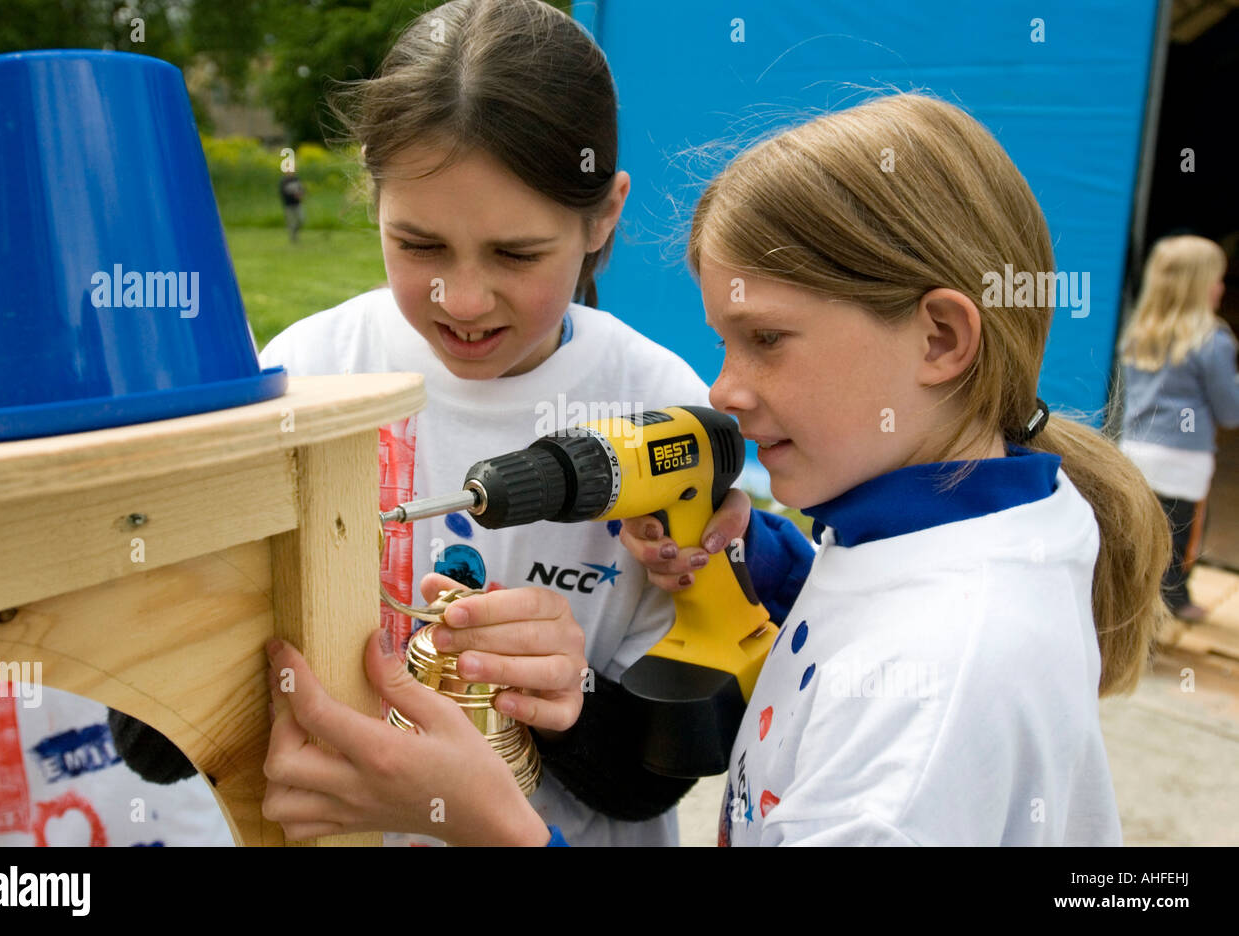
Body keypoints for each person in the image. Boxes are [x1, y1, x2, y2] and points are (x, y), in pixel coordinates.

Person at [261, 91, 1171, 846]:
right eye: (723, 342)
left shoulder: (929, 698)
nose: (724, 394)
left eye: (767, 339)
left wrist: (497, 824)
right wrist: (759, 558)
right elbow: (854, 595)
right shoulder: (941, 530)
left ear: (939, 337)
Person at [120, 0, 811, 847]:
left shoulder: (654, 404)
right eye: (419, 246)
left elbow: (647, 788)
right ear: (373, 202)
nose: (465, 300)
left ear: (604, 216)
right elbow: (149, 749)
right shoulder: (301, 375)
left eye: (516, 255)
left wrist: (567, 700)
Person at [1118, 235, 1239, 623]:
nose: (1222, 286)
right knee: (1178, 542)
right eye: (1216, 279)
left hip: (1135, 451)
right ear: (1200, 287)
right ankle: (1165, 613)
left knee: (1140, 541)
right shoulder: (1214, 342)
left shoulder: (1139, 332)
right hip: (1184, 461)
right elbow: (1230, 412)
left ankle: (1133, 617)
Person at [280, 171, 305, 243]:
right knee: (291, 222)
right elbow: (283, 194)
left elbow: (301, 189)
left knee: (301, 219)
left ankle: (295, 232)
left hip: (298, 204)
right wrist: (294, 196)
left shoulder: (297, 180)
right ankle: (293, 238)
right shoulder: (283, 182)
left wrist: (301, 194)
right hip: (288, 205)